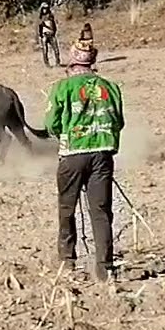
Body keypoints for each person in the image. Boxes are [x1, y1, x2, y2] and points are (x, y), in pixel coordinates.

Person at [45, 38, 125, 281]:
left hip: (72, 155)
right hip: (102, 154)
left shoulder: (61, 87)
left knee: (67, 208)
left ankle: (68, 261)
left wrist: (66, 133)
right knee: (100, 210)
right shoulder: (110, 88)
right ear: (93, 63)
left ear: (72, 64)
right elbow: (119, 122)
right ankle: (104, 267)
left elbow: (51, 124)